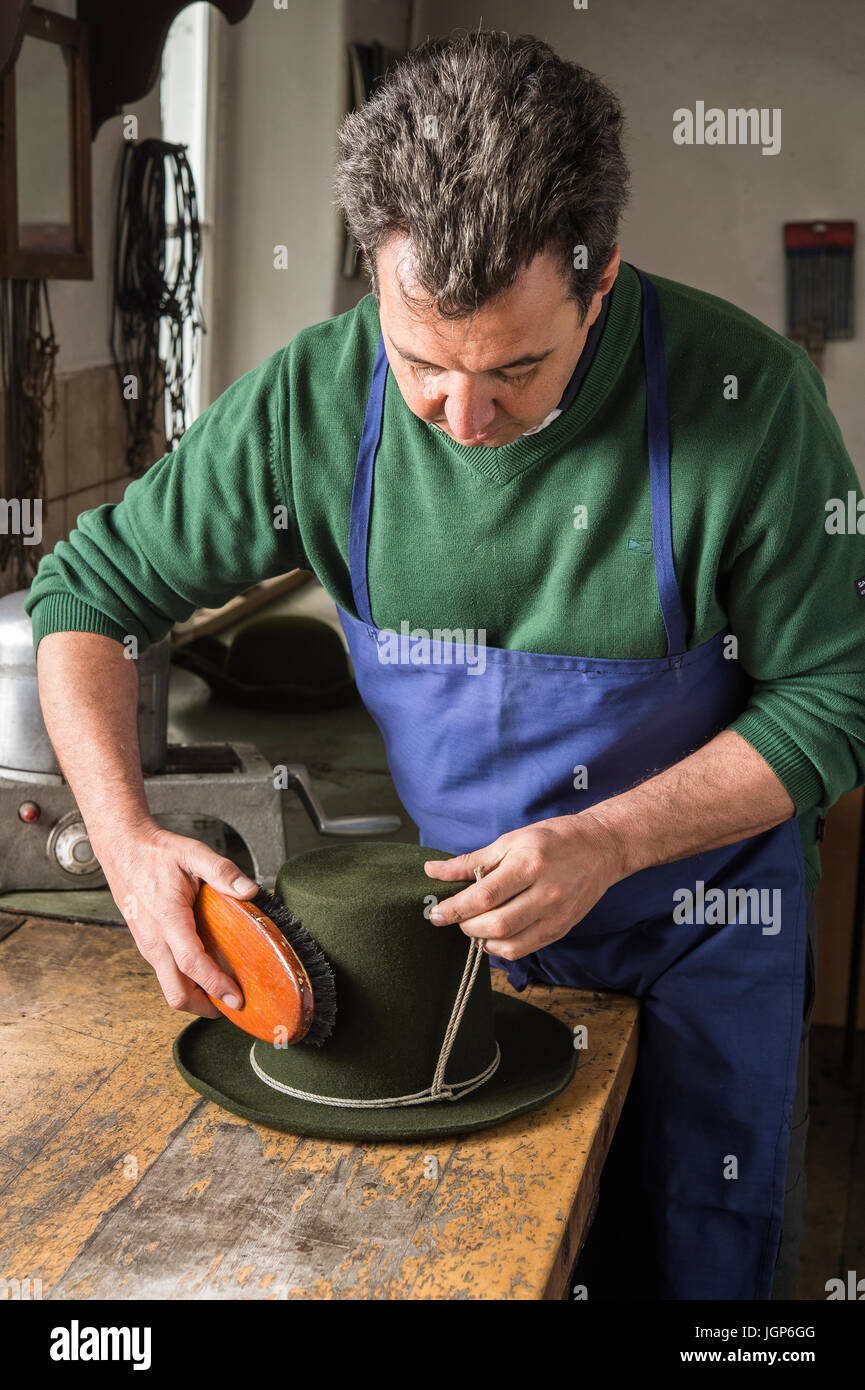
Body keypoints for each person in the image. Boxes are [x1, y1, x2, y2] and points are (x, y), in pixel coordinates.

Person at [25, 30, 865, 1299]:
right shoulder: (313, 400)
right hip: (472, 946)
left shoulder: (747, 402)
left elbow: (836, 696)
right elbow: (86, 593)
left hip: (703, 938)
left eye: (517, 369)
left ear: (601, 280)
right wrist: (126, 840)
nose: (464, 423)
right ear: (375, 276)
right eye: (422, 363)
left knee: (697, 1265)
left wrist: (609, 841)